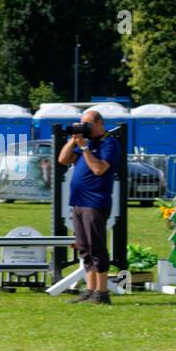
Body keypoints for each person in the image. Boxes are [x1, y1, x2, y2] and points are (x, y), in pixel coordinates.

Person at [58, 108, 119, 305]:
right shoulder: (86, 143)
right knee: (84, 248)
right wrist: (73, 141)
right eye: (82, 124)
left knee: (97, 247)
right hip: (78, 201)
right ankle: (90, 289)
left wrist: (84, 149)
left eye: (88, 125)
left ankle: (102, 292)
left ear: (100, 124)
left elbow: (99, 169)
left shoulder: (109, 143)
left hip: (95, 202)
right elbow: (63, 159)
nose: (85, 128)